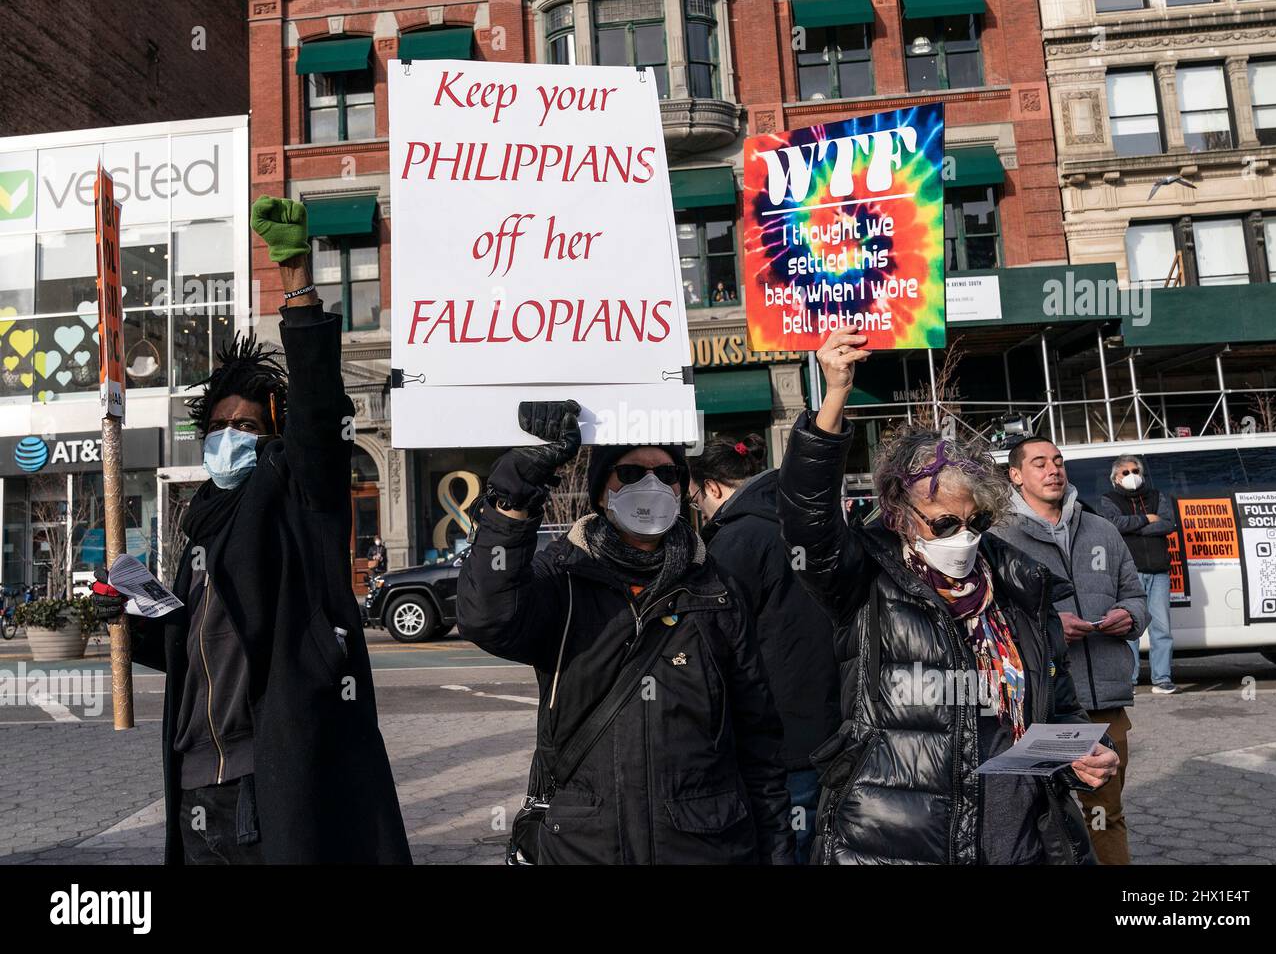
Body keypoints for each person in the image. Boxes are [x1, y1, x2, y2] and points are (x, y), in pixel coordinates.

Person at [91, 197, 410, 865]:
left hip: (265, 778)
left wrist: (296, 286)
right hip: (193, 785)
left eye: (248, 427)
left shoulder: (297, 494)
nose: (231, 438)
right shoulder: (203, 520)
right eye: (219, 427)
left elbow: (318, 416)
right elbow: (199, 646)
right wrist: (134, 617)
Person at [778, 330, 1118, 865]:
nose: (963, 536)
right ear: (899, 514)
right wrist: (834, 398)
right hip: (901, 842)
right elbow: (808, 519)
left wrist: (1082, 755)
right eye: (942, 523)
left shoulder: (1020, 587)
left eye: (976, 520)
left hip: (1022, 841)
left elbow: (1059, 709)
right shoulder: (866, 581)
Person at [455, 401, 794, 864]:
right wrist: (517, 485)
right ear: (601, 492)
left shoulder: (716, 588)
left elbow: (758, 740)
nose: (652, 486)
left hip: (706, 846)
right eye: (631, 474)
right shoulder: (563, 579)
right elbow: (486, 616)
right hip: (585, 846)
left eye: (668, 474)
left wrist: (776, 851)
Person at [991, 435, 1149, 866]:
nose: (1053, 469)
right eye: (1039, 463)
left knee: (1103, 816)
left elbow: (1136, 596)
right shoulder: (998, 537)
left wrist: (1129, 617)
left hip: (1104, 706)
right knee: (1036, 820)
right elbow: (988, 624)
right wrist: (1047, 628)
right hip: (1037, 709)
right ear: (1015, 475)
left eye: (1058, 461)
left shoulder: (1102, 528)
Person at [689, 434, 839, 864]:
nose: (700, 510)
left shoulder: (735, 540)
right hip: (829, 725)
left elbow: (717, 642)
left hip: (777, 738)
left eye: (697, 499)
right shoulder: (798, 519)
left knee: (781, 848)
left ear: (713, 487)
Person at [1096, 455, 1177, 694]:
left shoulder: (1156, 496)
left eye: (1135, 470)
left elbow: (1168, 524)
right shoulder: (1109, 499)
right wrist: (1146, 519)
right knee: (1129, 628)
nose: (1132, 475)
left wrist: (1134, 527)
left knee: (1161, 628)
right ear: (1115, 479)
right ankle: (1128, 681)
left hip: (1159, 571)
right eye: (1125, 472)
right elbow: (1114, 524)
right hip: (1129, 573)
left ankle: (1162, 679)